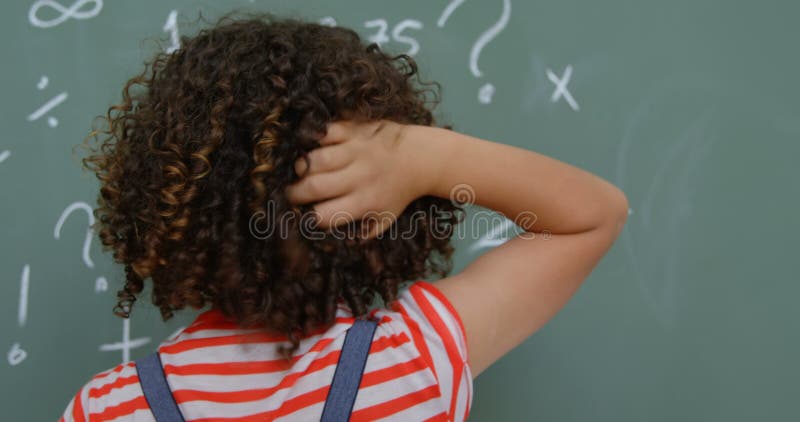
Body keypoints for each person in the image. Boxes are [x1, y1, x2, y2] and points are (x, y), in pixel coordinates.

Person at [60, 11, 628, 422]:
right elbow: (593, 215)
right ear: (377, 222)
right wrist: (421, 156)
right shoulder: (411, 363)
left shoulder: (109, 408)